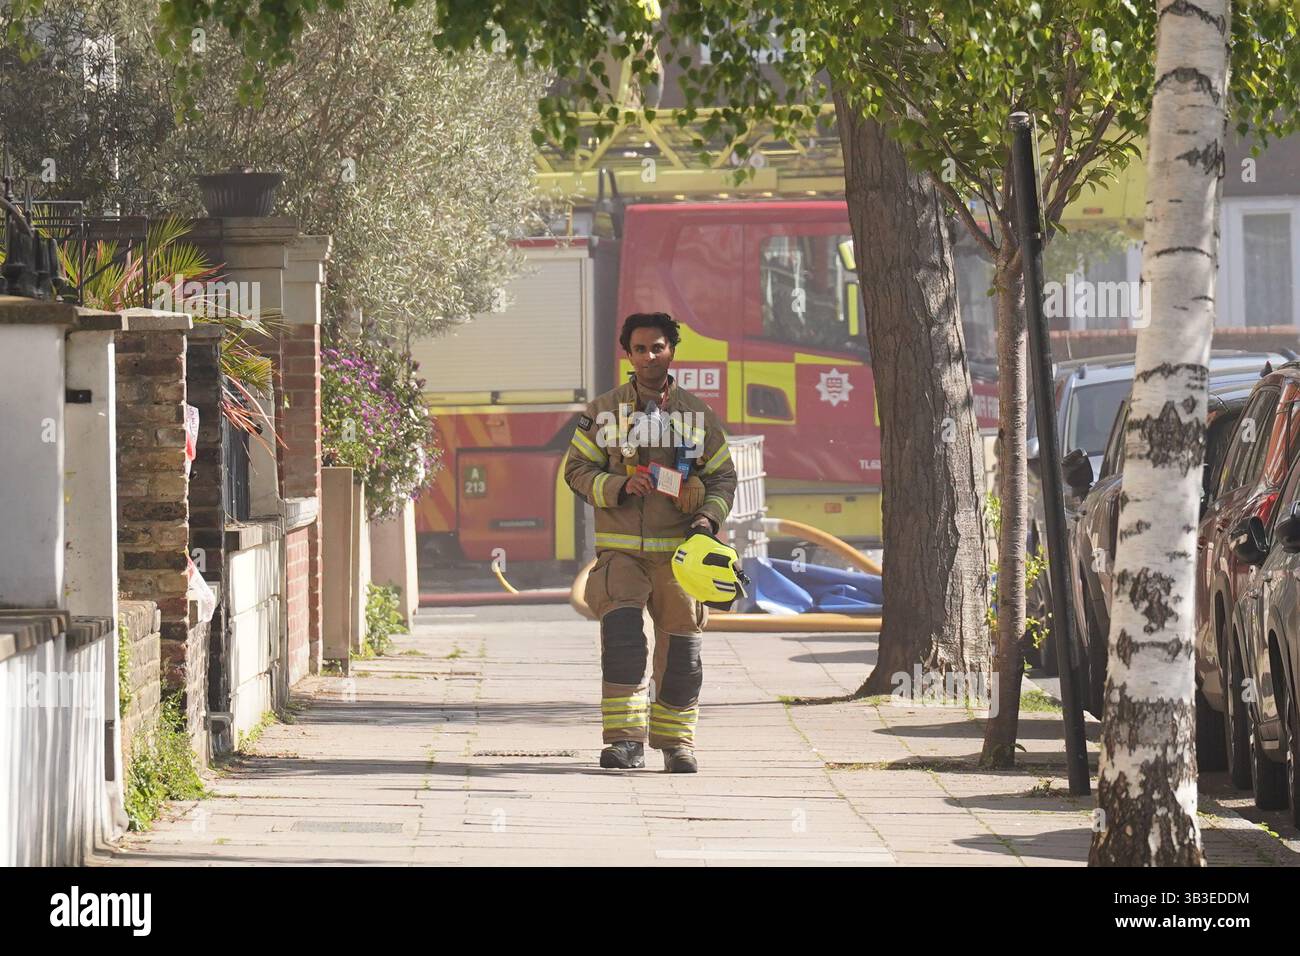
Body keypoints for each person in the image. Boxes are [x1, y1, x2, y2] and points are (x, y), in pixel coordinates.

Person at [564, 312, 737, 772]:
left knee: (683, 653)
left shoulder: (697, 416)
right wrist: (618, 486)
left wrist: (706, 519)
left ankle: (677, 744)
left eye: (657, 347)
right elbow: (576, 471)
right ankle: (624, 743)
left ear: (671, 350)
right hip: (621, 552)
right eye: (639, 349)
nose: (648, 356)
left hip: (681, 558)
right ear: (628, 355)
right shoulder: (603, 412)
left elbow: (722, 477)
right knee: (622, 643)